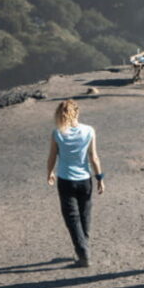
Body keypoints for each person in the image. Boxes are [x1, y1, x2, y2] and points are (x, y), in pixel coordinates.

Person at [46, 100, 106, 268]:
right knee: (85, 214)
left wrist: (49, 172)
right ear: (77, 113)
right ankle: (83, 247)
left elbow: (52, 157)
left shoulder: (57, 133)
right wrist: (100, 178)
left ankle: (83, 254)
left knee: (72, 218)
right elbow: (94, 157)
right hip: (85, 180)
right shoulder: (89, 130)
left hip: (66, 180)